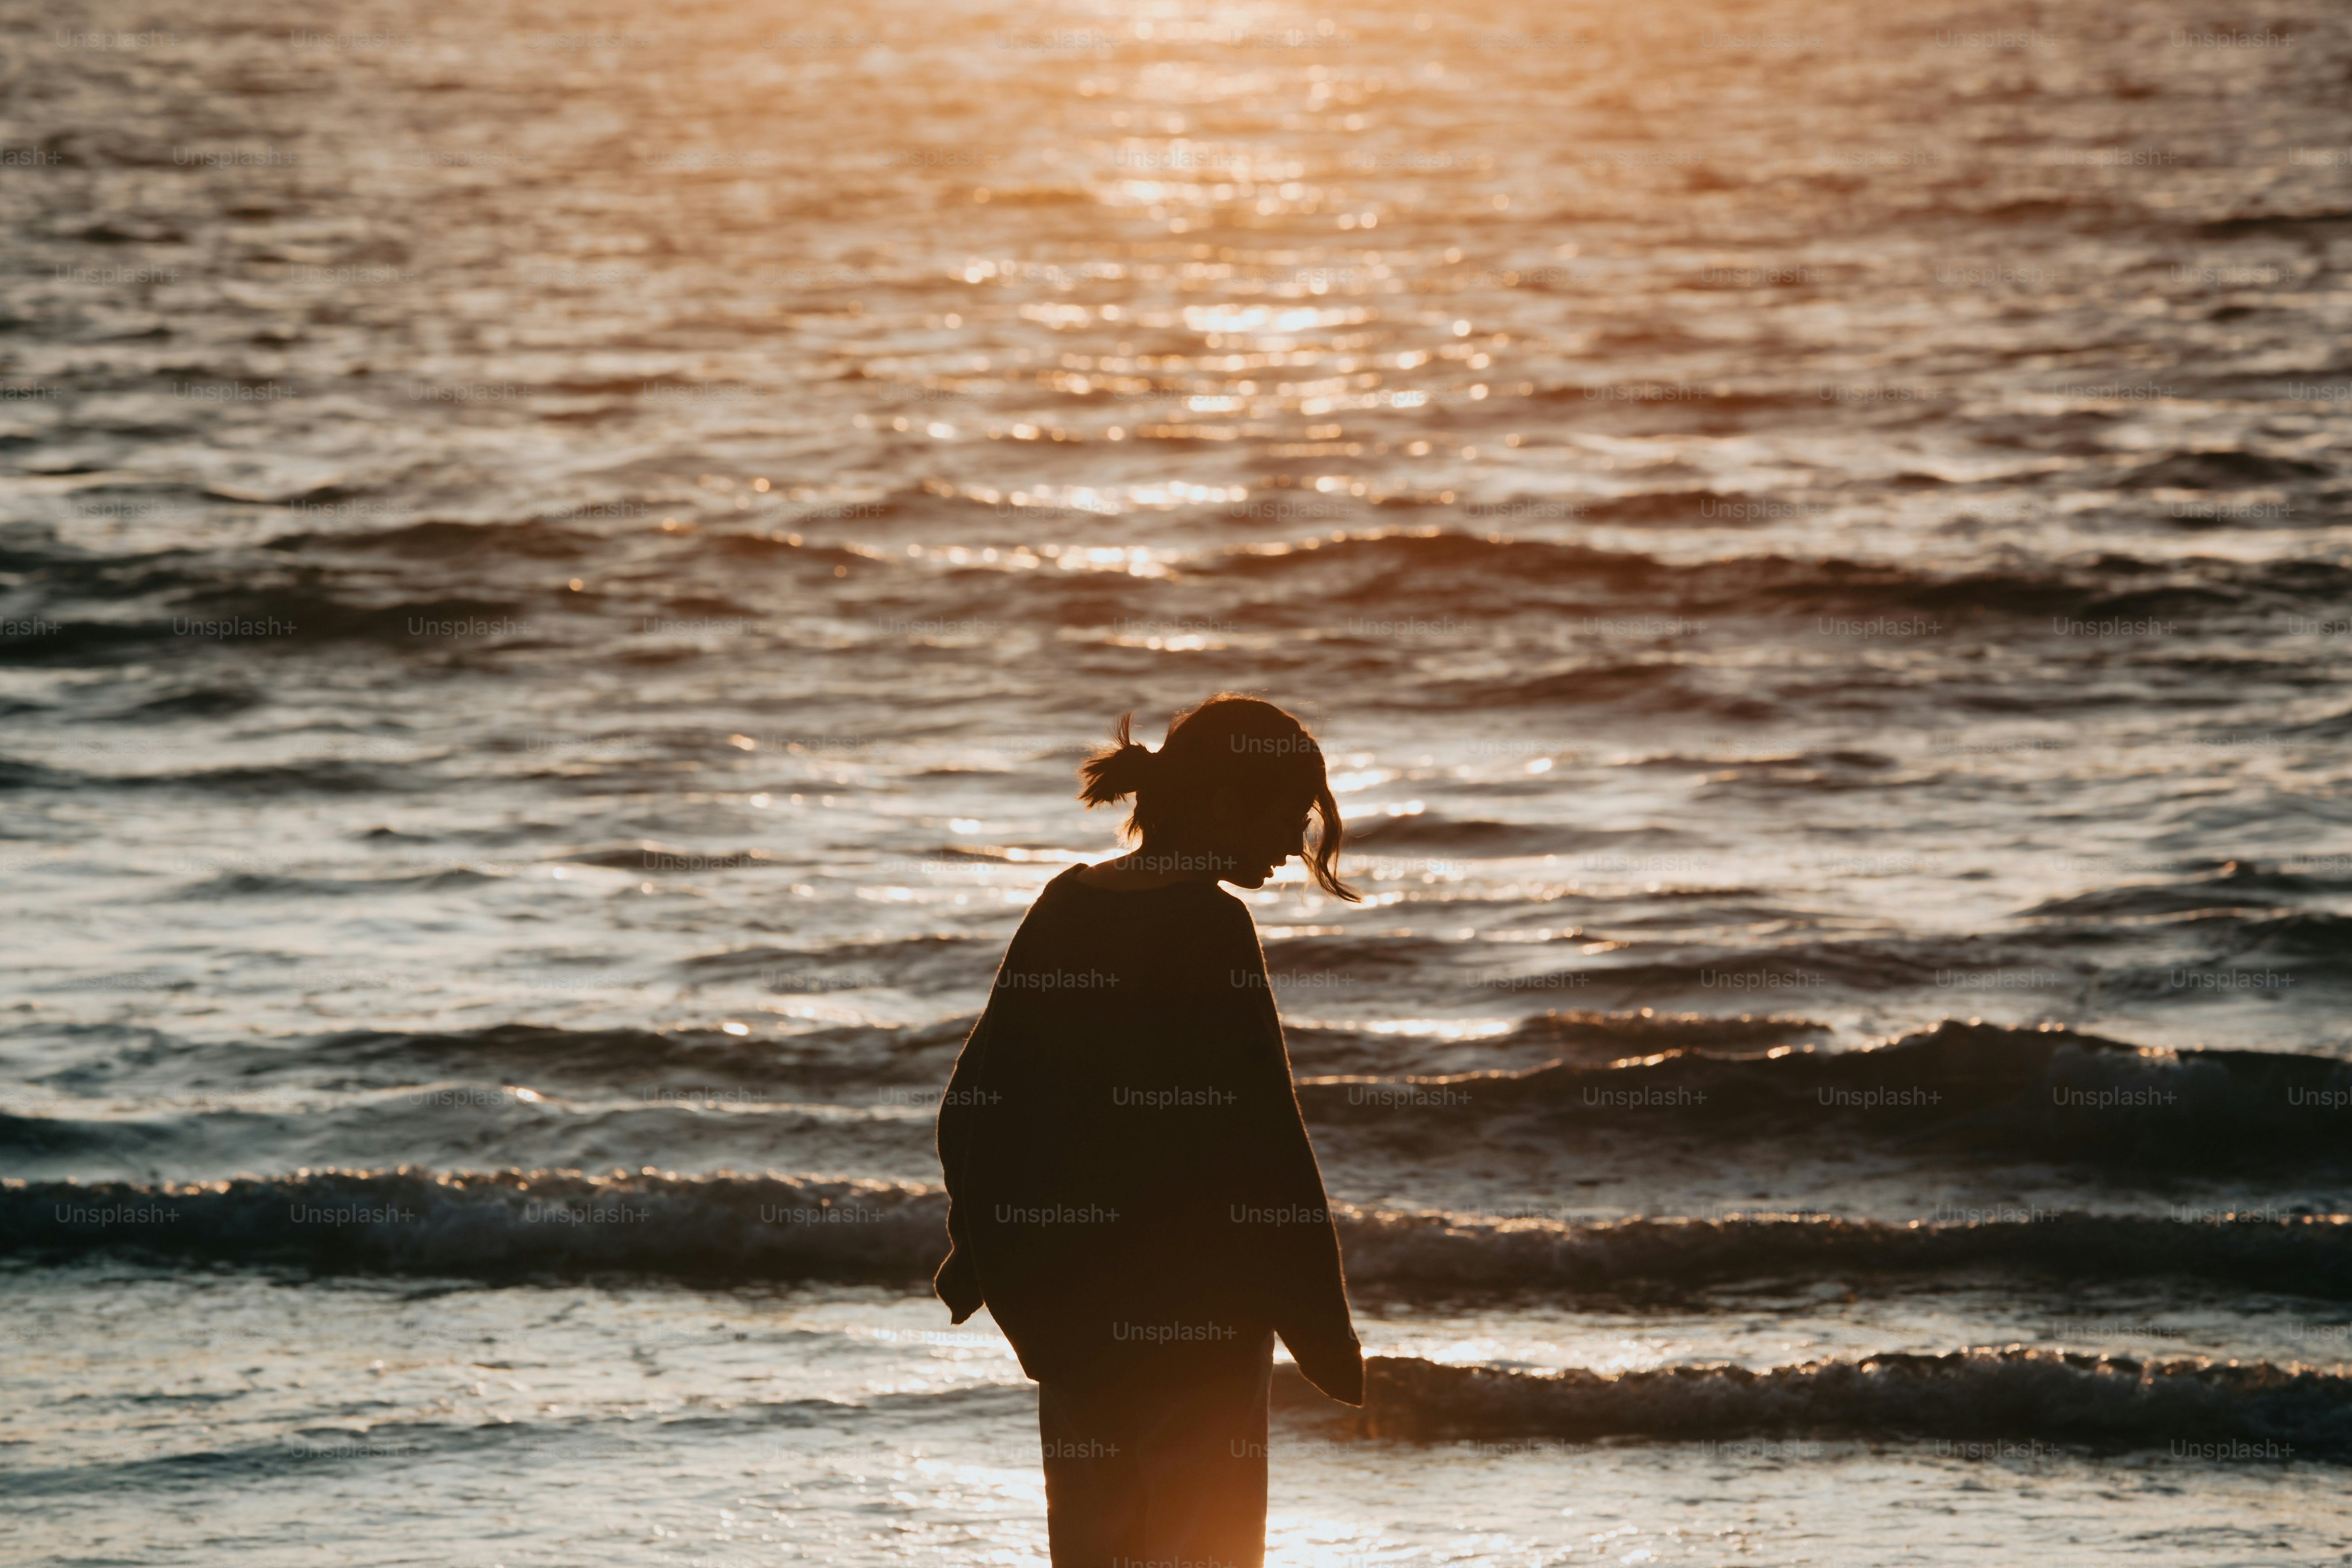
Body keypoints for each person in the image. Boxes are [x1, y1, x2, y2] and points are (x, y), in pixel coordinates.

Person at [933, 692, 1366, 1568]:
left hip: (1072, 1304)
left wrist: (985, 1252)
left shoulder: (1065, 901)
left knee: (1095, 1548)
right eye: (1289, 811)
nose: (1297, 840)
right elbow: (1261, 1142)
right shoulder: (1210, 924)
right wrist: (1322, 1325)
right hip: (1199, 1313)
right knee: (1202, 1547)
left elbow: (979, 1098)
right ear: (1221, 805)